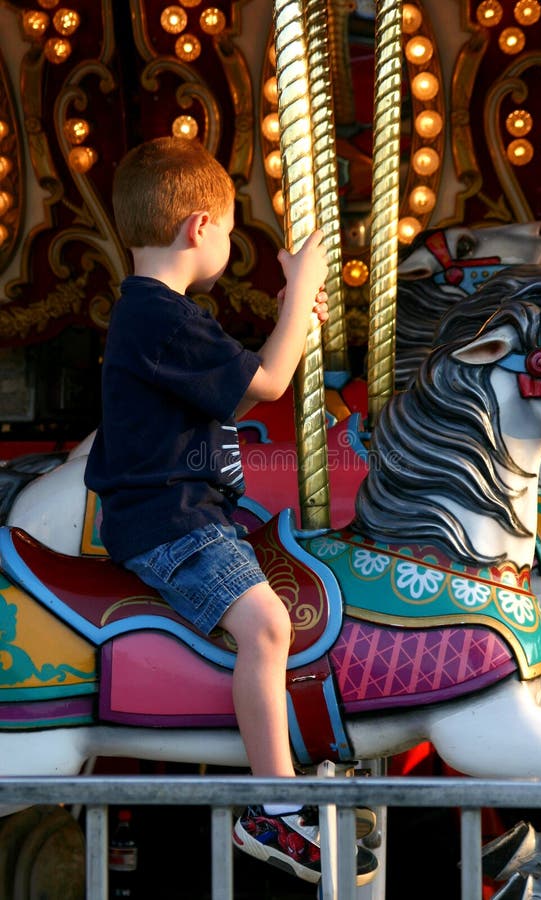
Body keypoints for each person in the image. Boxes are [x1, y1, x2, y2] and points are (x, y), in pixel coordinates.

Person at [84, 136, 378, 886]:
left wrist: (293, 314)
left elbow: (248, 379)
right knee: (267, 623)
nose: (227, 240)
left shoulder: (159, 313)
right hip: (169, 520)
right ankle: (271, 805)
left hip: (190, 510)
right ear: (198, 228)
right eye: (227, 226)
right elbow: (273, 382)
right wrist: (301, 289)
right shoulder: (158, 314)